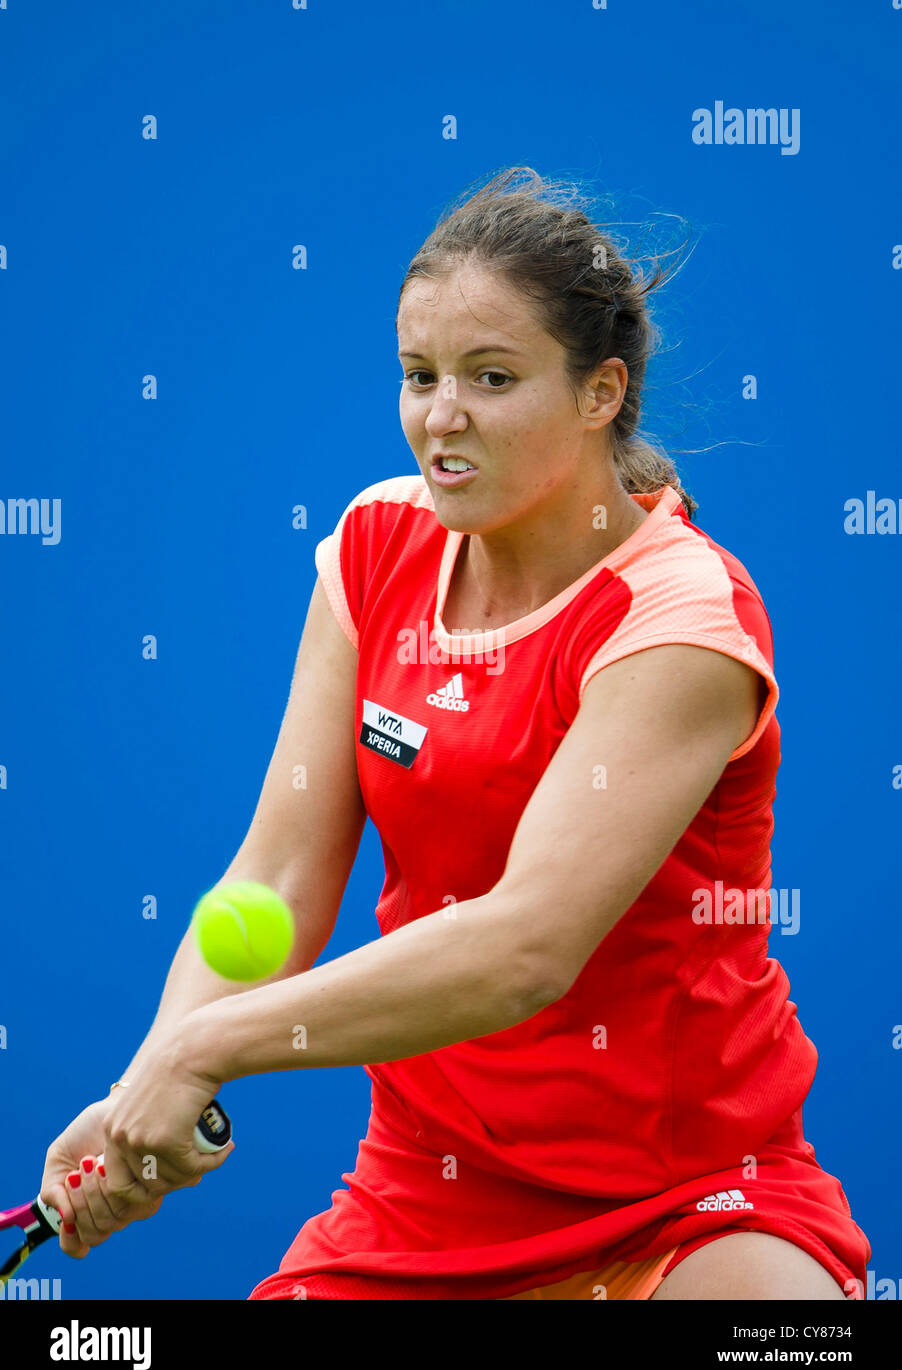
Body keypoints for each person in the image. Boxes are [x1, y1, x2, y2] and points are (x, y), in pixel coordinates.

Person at [41, 167, 870, 1300]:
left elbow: (523, 947)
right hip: (422, 1195)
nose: (442, 415)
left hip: (691, 1201)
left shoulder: (679, 618)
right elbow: (278, 878)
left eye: (491, 377)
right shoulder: (374, 546)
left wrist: (202, 1053)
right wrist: (142, 1089)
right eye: (419, 376)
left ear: (598, 393)